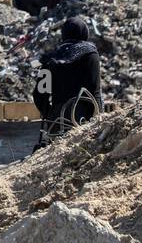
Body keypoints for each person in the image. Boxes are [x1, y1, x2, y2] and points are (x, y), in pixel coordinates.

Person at [33, 15, 102, 149]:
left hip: (56, 120)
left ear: (64, 35)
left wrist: (49, 114)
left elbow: (40, 94)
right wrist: (98, 119)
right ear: (85, 34)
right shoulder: (90, 55)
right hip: (82, 119)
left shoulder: (50, 58)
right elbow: (95, 91)